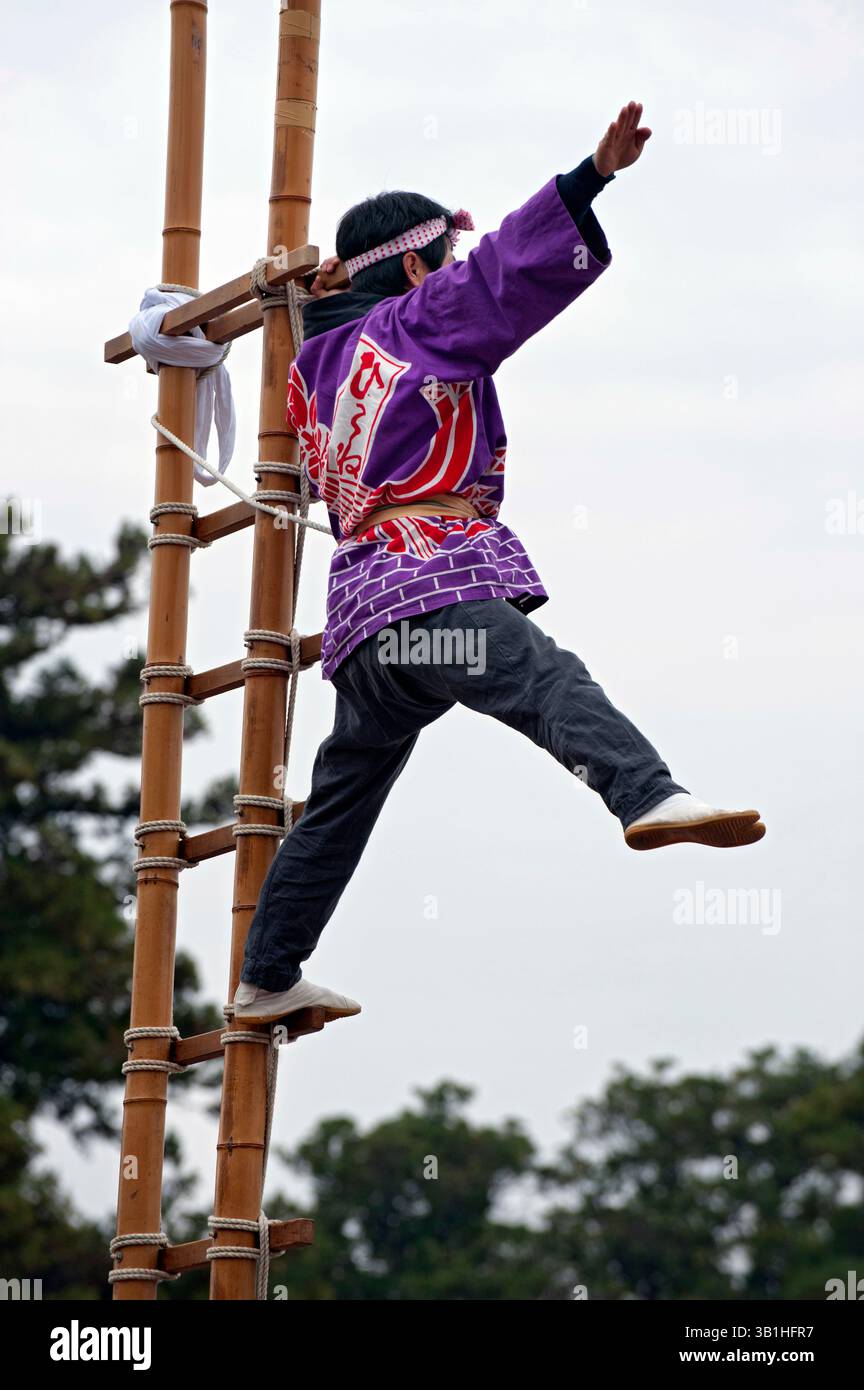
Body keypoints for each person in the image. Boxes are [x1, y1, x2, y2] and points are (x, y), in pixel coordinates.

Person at [234, 102, 765, 1025]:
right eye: (437, 261)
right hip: (426, 597)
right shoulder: (415, 321)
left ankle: (265, 975)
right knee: (535, 669)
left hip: (365, 631)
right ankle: (647, 794)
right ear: (412, 266)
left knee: (344, 799)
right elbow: (502, 273)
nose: (449, 274)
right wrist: (592, 176)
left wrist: (321, 288)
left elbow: (379, 297)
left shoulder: (312, 363)